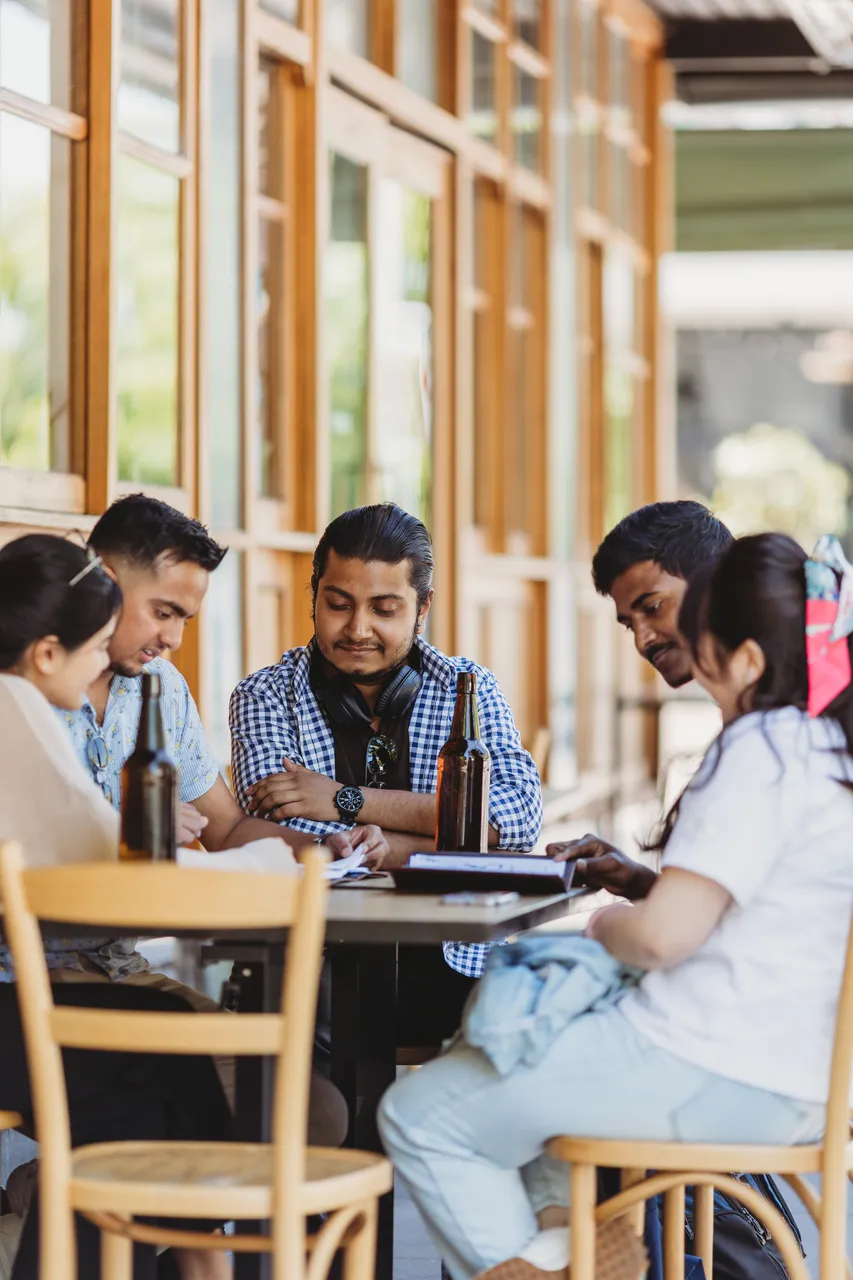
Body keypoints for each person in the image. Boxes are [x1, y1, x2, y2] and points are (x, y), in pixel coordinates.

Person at [378, 532, 850, 1280]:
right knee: (515, 1043)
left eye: (703, 644)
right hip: (794, 1079)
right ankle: (562, 1247)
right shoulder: (826, 747)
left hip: (711, 1068)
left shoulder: (762, 747)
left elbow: (660, 940)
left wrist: (602, 923)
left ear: (748, 660)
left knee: (421, 1115)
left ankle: (554, 1262)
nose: (684, 658)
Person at [3, 501, 352, 1147]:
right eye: (163, 612)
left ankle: (53, 1211)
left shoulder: (158, 688)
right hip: (24, 979)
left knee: (307, 1110)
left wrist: (319, 844)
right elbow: (73, 849)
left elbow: (222, 831)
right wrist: (138, 833)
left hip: (117, 966)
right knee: (223, 1108)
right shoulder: (20, 695)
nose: (173, 639)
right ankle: (75, 1224)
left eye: (185, 619)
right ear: (102, 579)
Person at [0, 534, 233, 1280]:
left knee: (164, 1045)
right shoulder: (14, 712)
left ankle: (199, 1260)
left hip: (36, 986)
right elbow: (102, 857)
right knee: (144, 1079)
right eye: (95, 646)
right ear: (45, 654)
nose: (103, 662)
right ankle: (201, 1260)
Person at [230, 503, 543, 1042]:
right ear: (314, 599)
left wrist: (346, 800)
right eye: (338, 605)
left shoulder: (468, 688)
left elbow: (513, 822)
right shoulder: (262, 695)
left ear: (423, 609)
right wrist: (433, 836)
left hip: (455, 962)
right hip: (313, 958)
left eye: (384, 608)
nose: (358, 628)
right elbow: (292, 836)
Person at [549, 499, 733, 895]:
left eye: (652, 607)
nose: (642, 639)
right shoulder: (737, 721)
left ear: (716, 586)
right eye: (628, 624)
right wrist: (634, 880)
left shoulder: (771, 730)